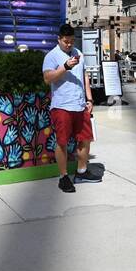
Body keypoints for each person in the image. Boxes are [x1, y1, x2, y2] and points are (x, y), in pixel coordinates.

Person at [42, 24, 102, 192]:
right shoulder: (52, 56)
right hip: (62, 106)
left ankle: (81, 171)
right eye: (66, 41)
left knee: (85, 139)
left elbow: (85, 76)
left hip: (80, 105)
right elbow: (48, 78)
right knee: (62, 142)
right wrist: (65, 67)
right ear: (59, 39)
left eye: (72, 41)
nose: (69, 44)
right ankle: (64, 177)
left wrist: (89, 99)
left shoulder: (78, 53)